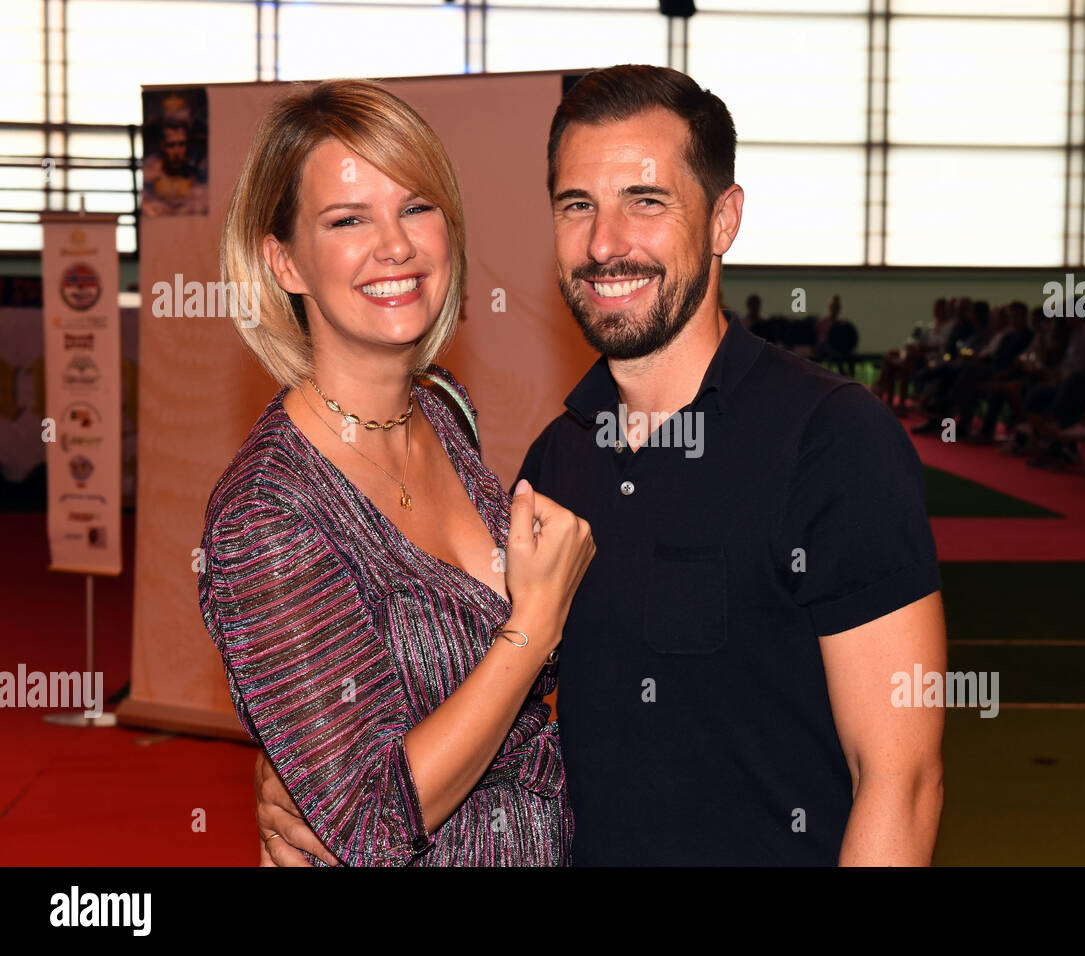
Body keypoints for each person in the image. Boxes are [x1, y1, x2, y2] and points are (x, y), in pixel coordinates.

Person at [258, 65, 946, 867]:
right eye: (576, 206)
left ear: (723, 220)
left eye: (645, 202)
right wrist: (307, 762)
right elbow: (465, 686)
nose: (605, 244)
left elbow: (902, 780)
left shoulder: (833, 440)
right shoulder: (555, 463)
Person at [199, 78, 595, 866]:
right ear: (284, 261)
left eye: (416, 207)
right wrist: (534, 626)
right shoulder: (265, 514)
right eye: (348, 219)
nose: (396, 247)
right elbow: (372, 822)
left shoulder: (443, 409)